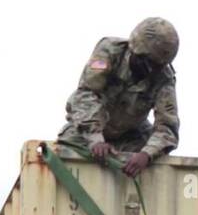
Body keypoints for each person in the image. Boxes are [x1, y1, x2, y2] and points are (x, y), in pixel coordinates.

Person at [55, 17, 180, 176]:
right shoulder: (110, 51)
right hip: (90, 130)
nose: (151, 71)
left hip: (132, 136)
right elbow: (86, 95)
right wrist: (95, 139)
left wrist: (146, 154)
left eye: (157, 66)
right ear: (135, 50)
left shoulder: (164, 78)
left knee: (157, 164)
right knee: (62, 153)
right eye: (148, 63)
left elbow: (167, 127)